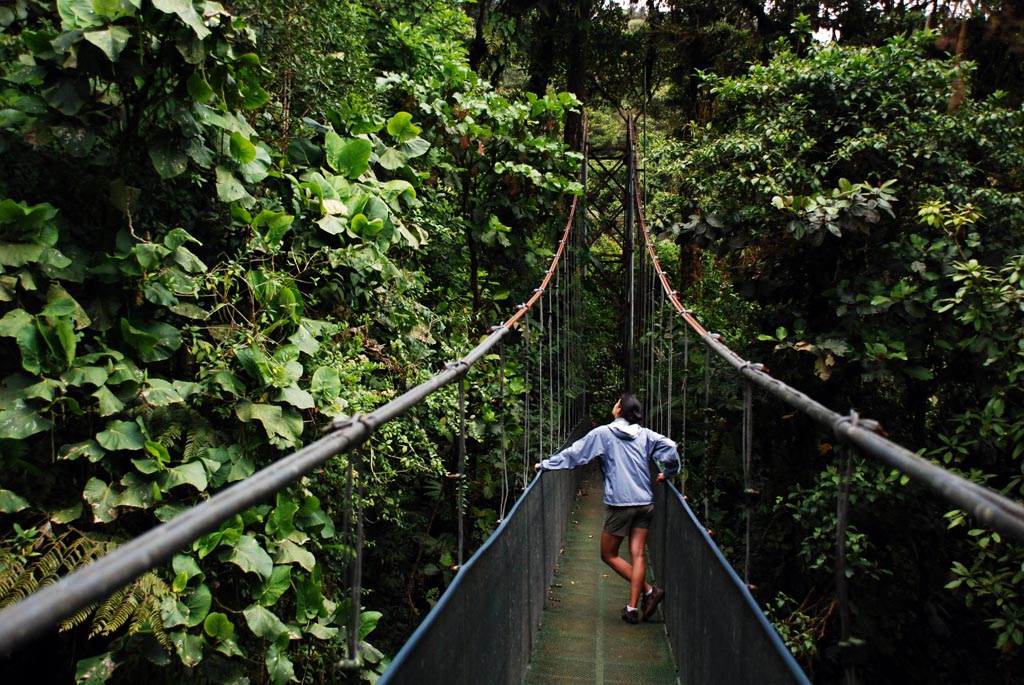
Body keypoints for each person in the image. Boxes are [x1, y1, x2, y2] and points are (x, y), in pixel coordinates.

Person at [535, 393, 680, 624]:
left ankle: (649, 591)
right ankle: (636, 605)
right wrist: (669, 472)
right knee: (638, 553)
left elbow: (576, 453)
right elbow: (670, 447)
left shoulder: (604, 433)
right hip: (645, 502)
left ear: (619, 409)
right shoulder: (645, 435)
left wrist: (546, 464)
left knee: (608, 554)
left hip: (621, 505)